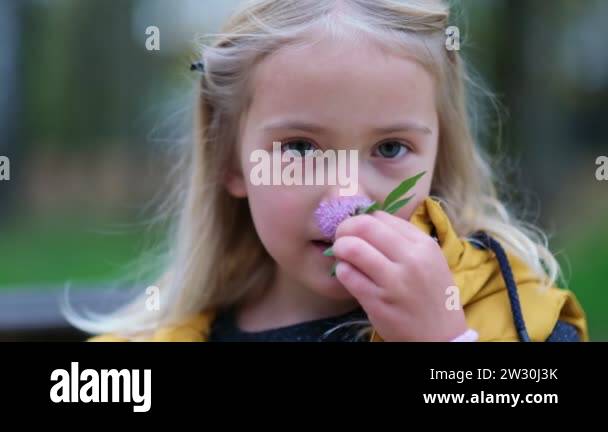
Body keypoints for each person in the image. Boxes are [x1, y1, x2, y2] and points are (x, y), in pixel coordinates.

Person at [70, 0, 587, 342]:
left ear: (438, 155)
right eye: (299, 147)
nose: (348, 198)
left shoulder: (519, 320)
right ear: (231, 160)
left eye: (389, 148)